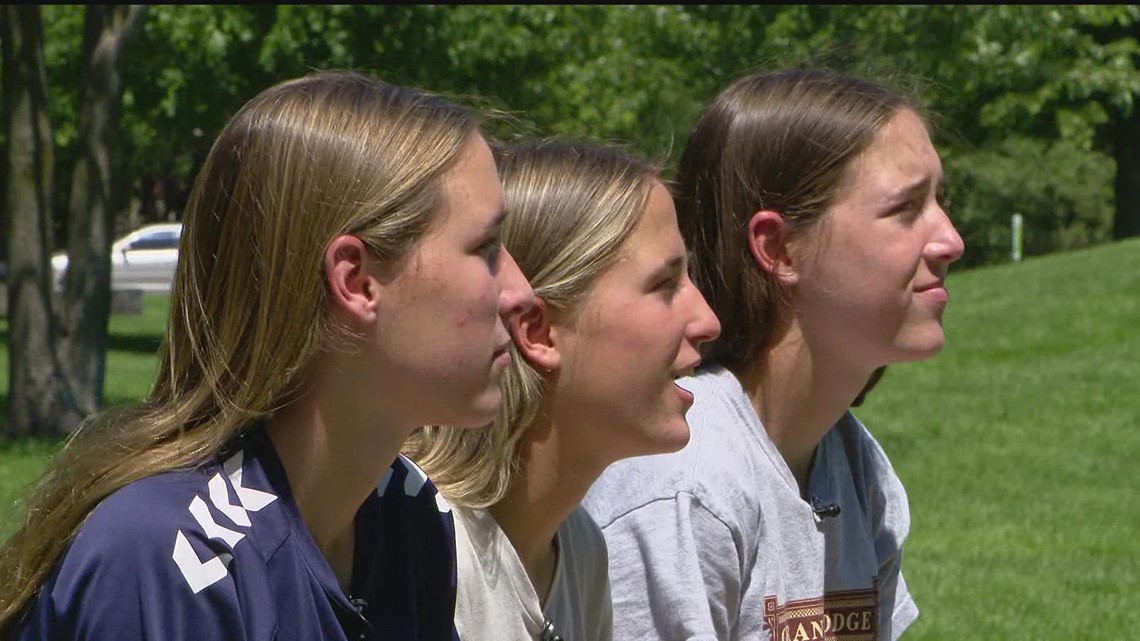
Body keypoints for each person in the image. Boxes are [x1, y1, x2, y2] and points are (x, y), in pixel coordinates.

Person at [0, 70, 535, 641]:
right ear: (357, 281)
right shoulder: (173, 564)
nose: (521, 291)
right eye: (486, 248)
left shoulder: (408, 514)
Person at [583, 68, 966, 641]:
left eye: (940, 200)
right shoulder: (686, 487)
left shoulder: (855, 466)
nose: (951, 240)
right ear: (779, 248)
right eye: (906, 209)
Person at [404, 140, 721, 641]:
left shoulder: (580, 551)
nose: (708, 322)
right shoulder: (424, 552)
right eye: (665, 285)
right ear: (539, 331)